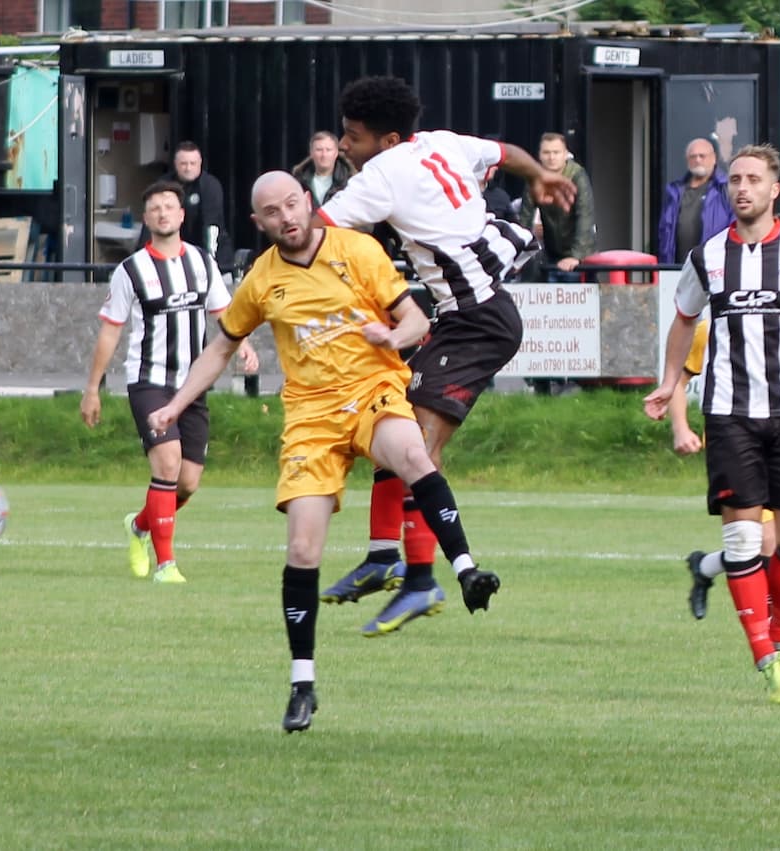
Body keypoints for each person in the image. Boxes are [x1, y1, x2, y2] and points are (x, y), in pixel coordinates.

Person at [147, 171, 489, 732]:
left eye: (292, 204)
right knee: (303, 547)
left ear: (308, 202)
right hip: (310, 419)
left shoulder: (358, 248)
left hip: (371, 391)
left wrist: (392, 339)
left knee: (411, 454)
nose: (287, 217)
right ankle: (302, 683)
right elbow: (221, 347)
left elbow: (415, 319)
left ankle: (467, 568)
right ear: (259, 223)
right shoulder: (262, 279)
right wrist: (177, 404)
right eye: (272, 212)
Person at [311, 75, 576, 634]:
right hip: (465, 317)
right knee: (392, 422)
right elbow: (507, 153)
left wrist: (275, 223)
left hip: (477, 322)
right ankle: (386, 557)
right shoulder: (440, 141)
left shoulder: (382, 174)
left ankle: (420, 578)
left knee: (416, 451)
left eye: (351, 137)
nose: (344, 147)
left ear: (384, 141)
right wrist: (542, 175)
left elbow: (313, 229)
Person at [643, 143, 780, 704]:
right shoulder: (706, 256)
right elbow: (683, 321)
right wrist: (669, 380)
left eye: (753, 179)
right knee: (742, 537)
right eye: (735, 179)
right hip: (730, 413)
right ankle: (767, 658)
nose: (742, 188)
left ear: (774, 189)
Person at [81, 180, 258, 584]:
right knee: (167, 463)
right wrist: (93, 389)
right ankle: (166, 565)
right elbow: (110, 331)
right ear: (146, 219)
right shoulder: (131, 271)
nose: (162, 213)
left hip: (192, 384)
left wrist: (243, 344)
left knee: (188, 481)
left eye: (169, 206)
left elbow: (223, 312)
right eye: (155, 208)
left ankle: (140, 526)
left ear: (181, 215)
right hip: (149, 382)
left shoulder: (201, 261)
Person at [666, 319, 780, 620]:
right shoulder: (709, 329)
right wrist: (680, 428)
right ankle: (769, 637)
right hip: (736, 443)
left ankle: (704, 567)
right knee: (763, 541)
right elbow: (678, 379)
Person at [137, 142, 234, 276]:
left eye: (192, 163)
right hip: (173, 255)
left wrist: (210, 262)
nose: (188, 168)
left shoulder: (210, 186)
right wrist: (143, 262)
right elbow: (151, 225)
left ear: (200, 163)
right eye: (183, 164)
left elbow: (212, 227)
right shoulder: (163, 185)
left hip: (213, 256)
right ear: (175, 164)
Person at [517, 132, 596, 280]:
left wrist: (576, 256)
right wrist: (518, 256)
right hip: (551, 253)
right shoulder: (535, 178)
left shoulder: (578, 176)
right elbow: (524, 219)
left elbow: (585, 217)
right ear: (539, 155)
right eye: (546, 152)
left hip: (581, 255)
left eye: (556, 152)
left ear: (565, 154)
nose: (551, 157)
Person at [656, 137, 733, 265]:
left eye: (702, 156)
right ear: (687, 160)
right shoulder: (674, 192)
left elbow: (734, 229)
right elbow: (664, 231)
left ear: (713, 158)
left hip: (714, 268)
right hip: (678, 268)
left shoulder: (726, 189)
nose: (697, 160)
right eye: (693, 156)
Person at [291, 130, 354, 208]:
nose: (324, 155)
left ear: (336, 153)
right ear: (311, 153)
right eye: (319, 150)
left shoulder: (351, 181)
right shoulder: (298, 181)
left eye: (328, 150)